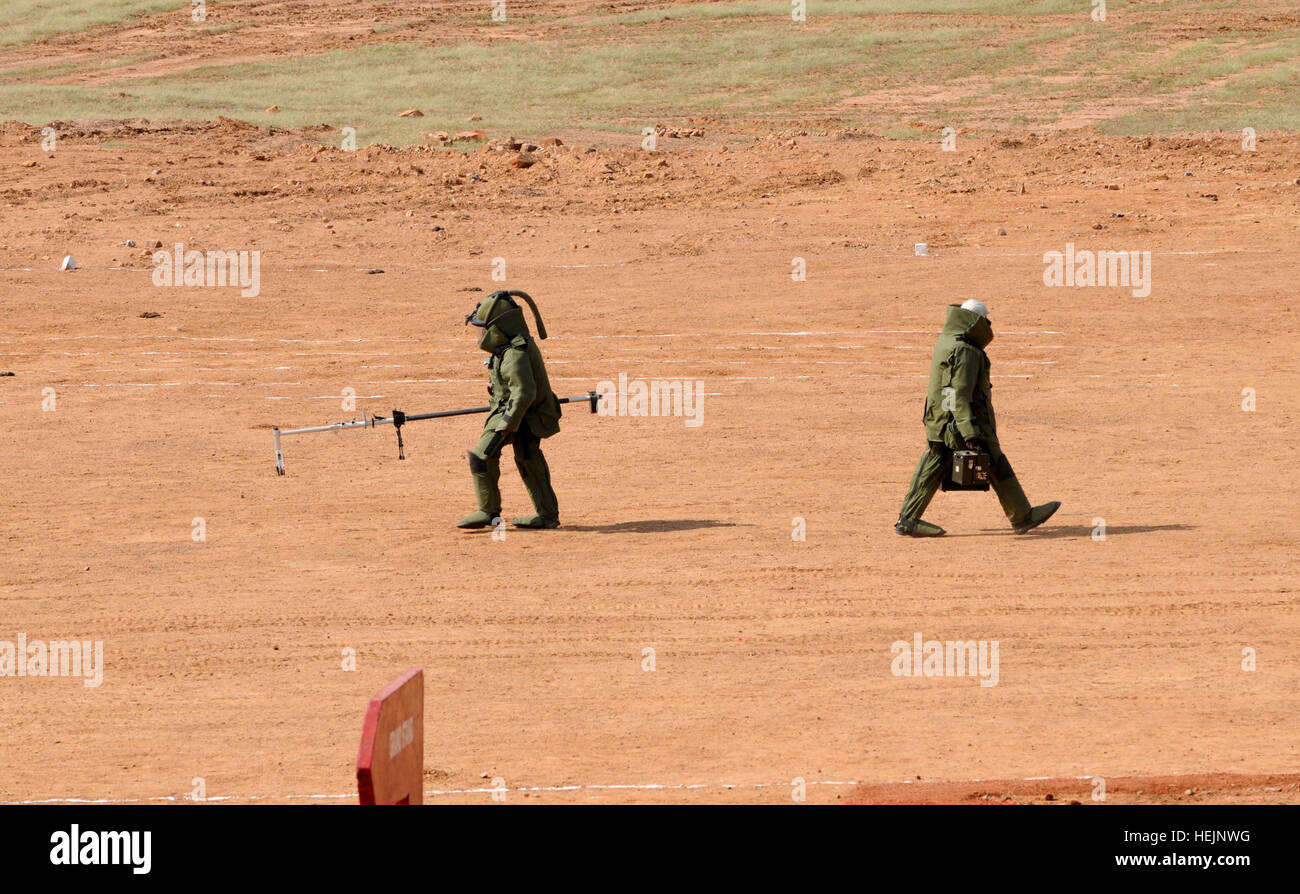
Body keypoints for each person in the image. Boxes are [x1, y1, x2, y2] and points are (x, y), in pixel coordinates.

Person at [896, 299, 1060, 537]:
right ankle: (1022, 516)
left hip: (942, 419)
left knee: (939, 463)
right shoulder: (965, 349)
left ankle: (908, 520)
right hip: (957, 422)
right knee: (989, 461)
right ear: (975, 321)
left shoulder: (949, 340)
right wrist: (968, 431)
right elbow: (956, 393)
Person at [457, 290, 562, 530]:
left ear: (499, 327)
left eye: (484, 328)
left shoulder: (514, 353)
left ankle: (488, 511)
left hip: (516, 414)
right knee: (529, 459)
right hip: (524, 413)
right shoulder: (512, 347)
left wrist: (505, 427)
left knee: (483, 456)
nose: (481, 333)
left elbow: (523, 393)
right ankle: (547, 515)